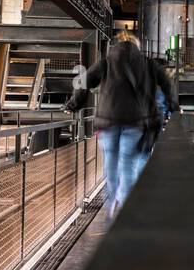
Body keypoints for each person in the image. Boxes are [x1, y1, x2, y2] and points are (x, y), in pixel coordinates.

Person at [65, 32, 176, 217]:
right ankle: (126, 211)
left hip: (108, 121)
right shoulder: (148, 64)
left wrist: (73, 105)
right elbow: (167, 84)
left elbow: (83, 81)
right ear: (136, 46)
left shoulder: (107, 62)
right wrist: (173, 106)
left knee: (110, 165)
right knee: (127, 164)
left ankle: (111, 207)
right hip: (135, 122)